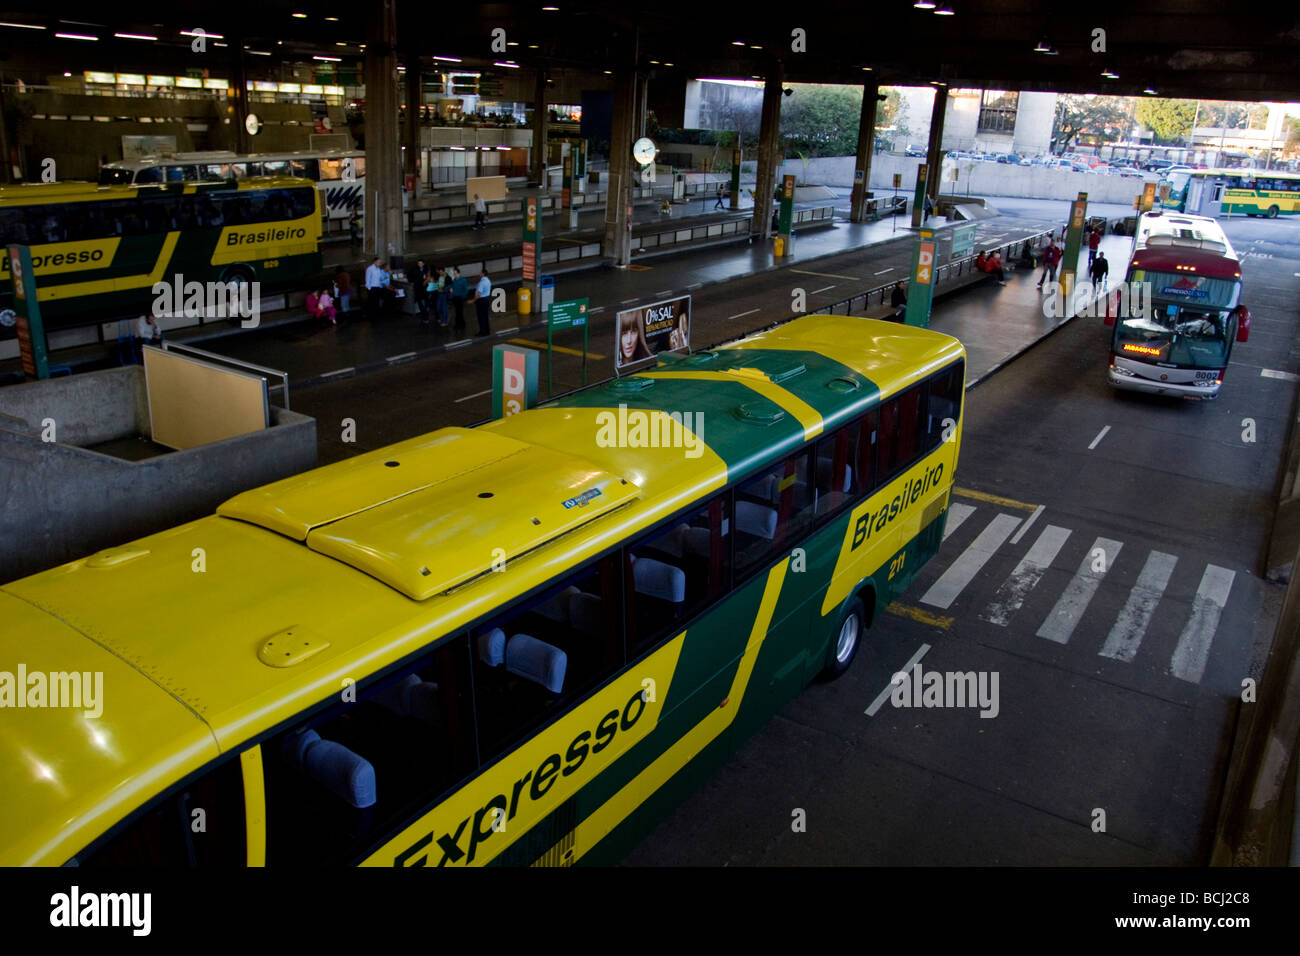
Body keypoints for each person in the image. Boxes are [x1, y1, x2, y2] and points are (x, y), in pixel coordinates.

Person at [474, 269, 492, 336]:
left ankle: (482, 332)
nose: (479, 274)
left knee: (481, 317)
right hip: (486, 300)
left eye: (480, 273)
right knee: (485, 316)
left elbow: (478, 294)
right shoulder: (488, 281)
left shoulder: (482, 282)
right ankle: (487, 331)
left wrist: (473, 300)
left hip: (481, 301)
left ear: (483, 274)